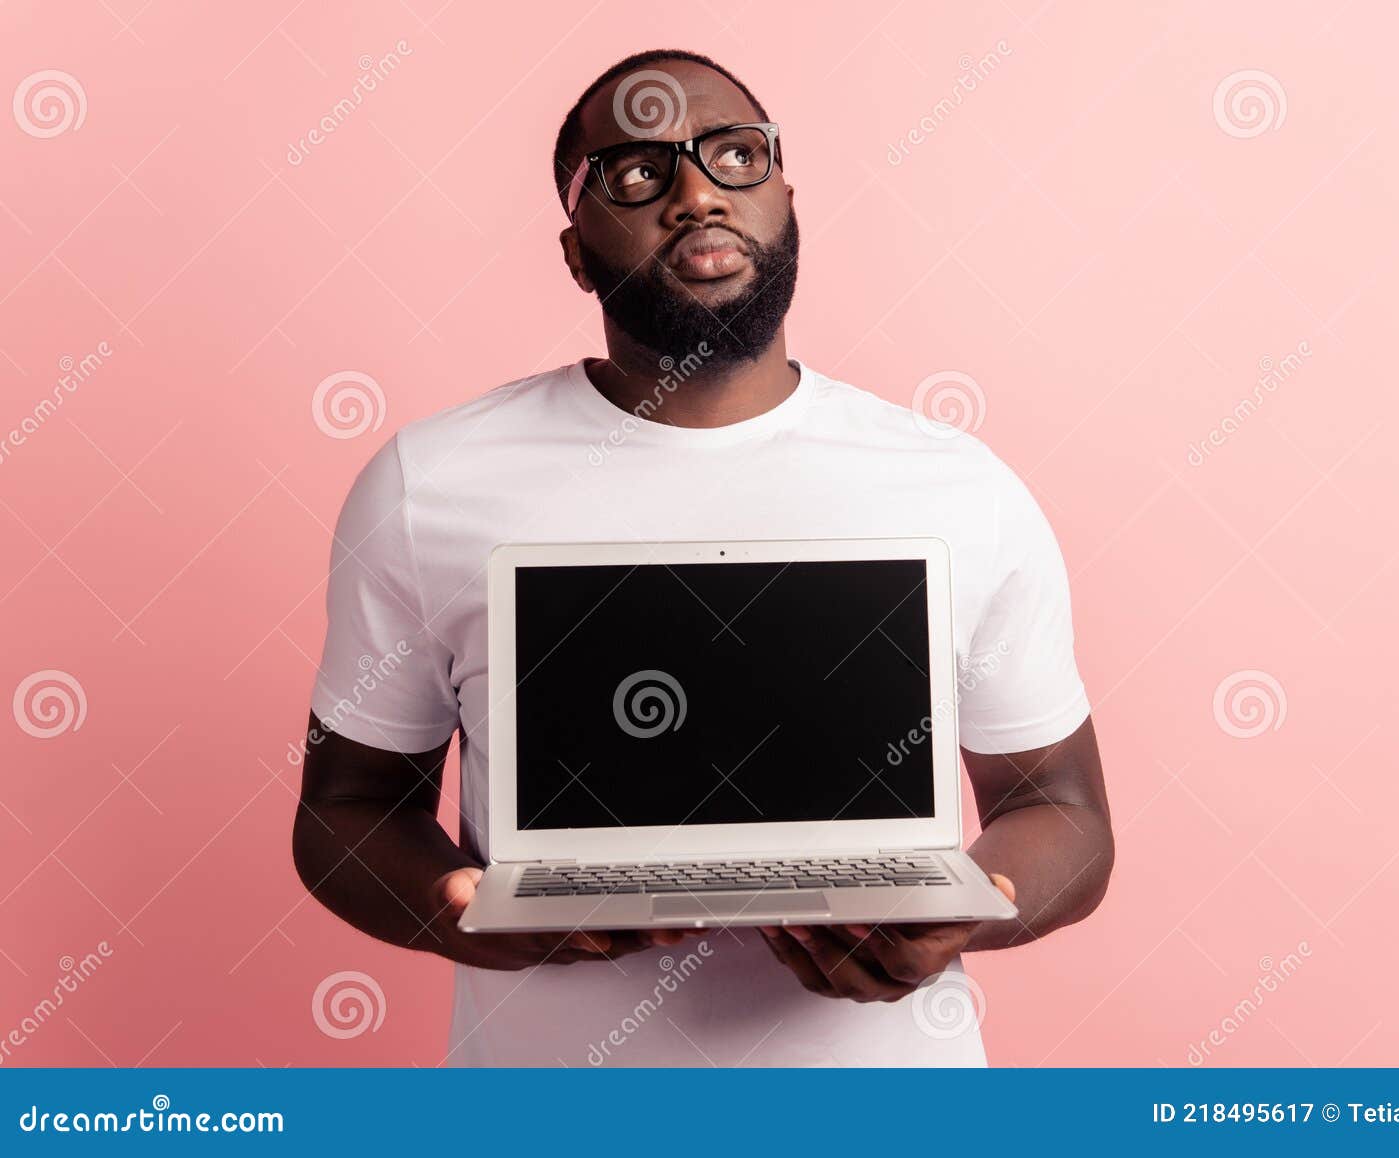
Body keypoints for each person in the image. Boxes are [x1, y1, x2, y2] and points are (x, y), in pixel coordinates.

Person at [292, 48, 1113, 1066]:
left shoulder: (956, 483)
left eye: (735, 156)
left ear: (786, 198)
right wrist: (462, 911)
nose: (695, 195)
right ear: (575, 249)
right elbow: (347, 806)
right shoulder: (433, 480)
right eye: (638, 173)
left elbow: (1060, 809)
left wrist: (978, 912)